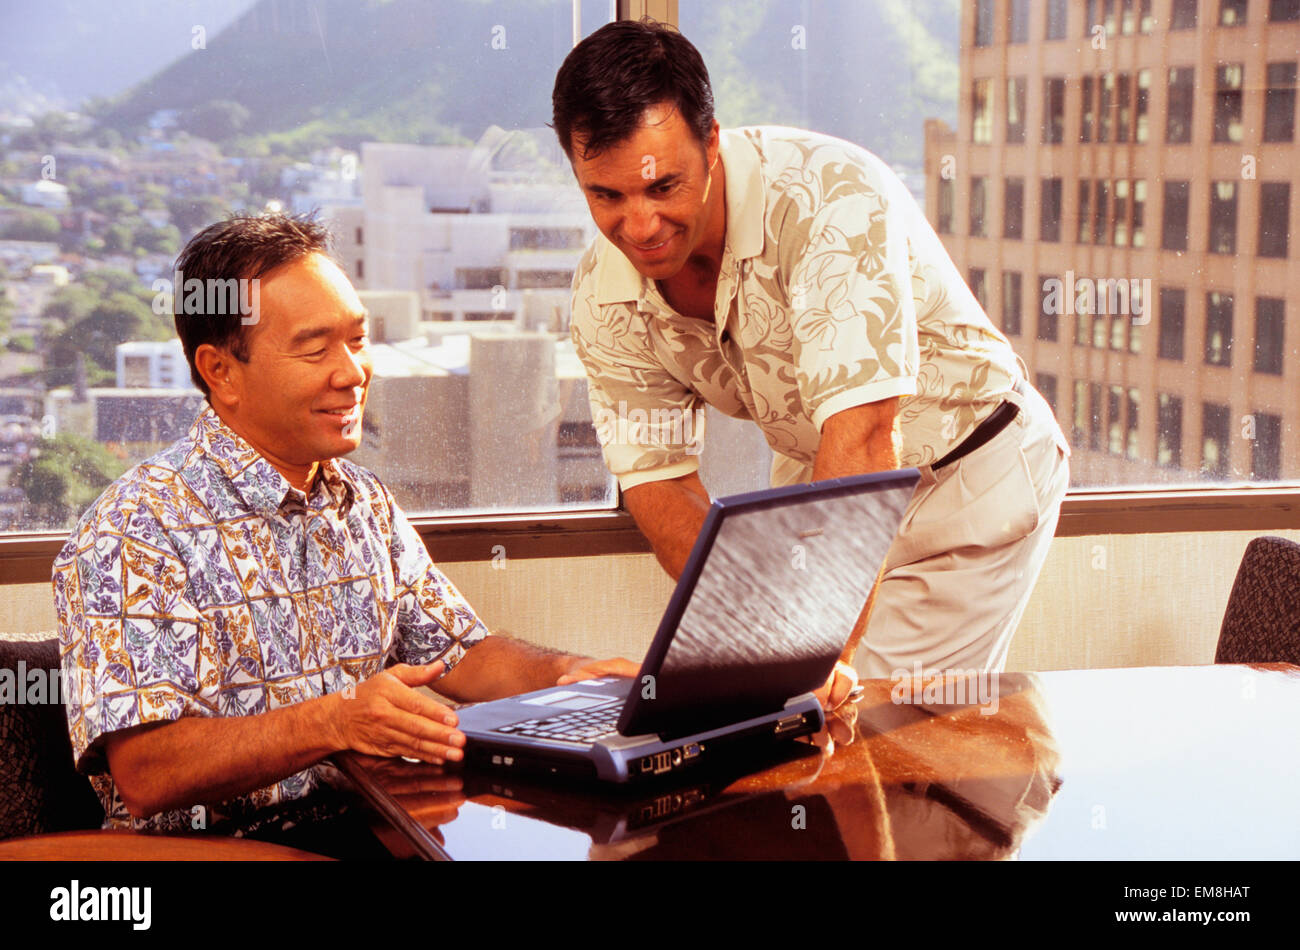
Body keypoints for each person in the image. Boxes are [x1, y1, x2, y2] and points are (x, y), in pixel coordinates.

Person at [52, 213, 635, 832]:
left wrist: (564, 675)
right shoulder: (134, 531)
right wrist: (334, 720)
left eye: (357, 340)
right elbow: (147, 773)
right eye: (314, 347)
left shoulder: (363, 501)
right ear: (221, 372)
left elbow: (461, 654)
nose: (353, 372)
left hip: (378, 824)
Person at [553, 21, 1070, 706]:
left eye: (663, 186)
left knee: (871, 721)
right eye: (607, 196)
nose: (640, 227)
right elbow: (659, 484)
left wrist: (815, 656)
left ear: (711, 143)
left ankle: (1014, 777)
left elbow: (863, 437)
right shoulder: (602, 294)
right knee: (779, 716)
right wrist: (751, 640)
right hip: (820, 480)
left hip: (966, 469)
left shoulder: (831, 203)